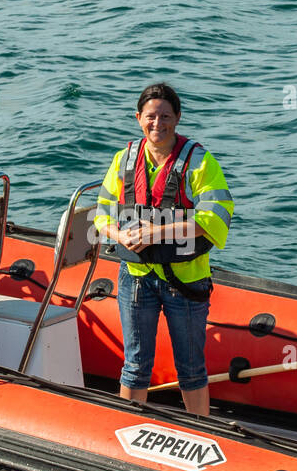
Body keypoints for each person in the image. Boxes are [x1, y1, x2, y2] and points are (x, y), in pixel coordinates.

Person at [94, 83, 233, 416]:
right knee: (135, 364)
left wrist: (156, 232)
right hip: (135, 278)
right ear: (138, 118)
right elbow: (101, 214)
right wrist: (119, 234)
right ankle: (127, 425)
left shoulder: (199, 162)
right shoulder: (123, 159)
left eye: (166, 116)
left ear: (178, 118)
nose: (158, 124)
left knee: (191, 367)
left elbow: (215, 217)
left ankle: (201, 429)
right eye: (151, 116)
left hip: (185, 282)